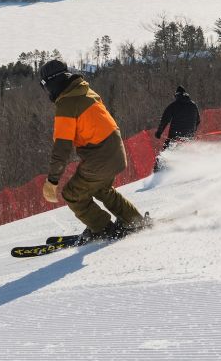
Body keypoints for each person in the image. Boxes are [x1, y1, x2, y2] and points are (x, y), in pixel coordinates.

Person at [38, 59, 148, 243]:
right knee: (102, 189)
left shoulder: (67, 103)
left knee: (72, 194)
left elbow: (62, 147)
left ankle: (104, 229)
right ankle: (133, 219)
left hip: (100, 157)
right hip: (116, 151)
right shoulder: (86, 91)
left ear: (52, 82)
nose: (47, 91)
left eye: (45, 86)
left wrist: (52, 180)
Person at [153, 86, 201, 170]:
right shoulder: (193, 105)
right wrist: (193, 131)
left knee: (163, 155)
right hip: (189, 138)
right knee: (186, 153)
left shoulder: (173, 106)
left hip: (174, 137)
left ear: (177, 95)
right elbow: (198, 120)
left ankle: (158, 172)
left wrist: (159, 132)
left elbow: (164, 120)